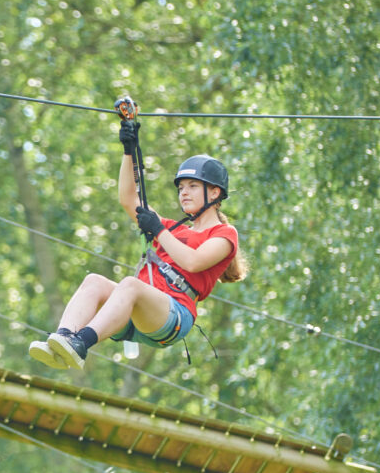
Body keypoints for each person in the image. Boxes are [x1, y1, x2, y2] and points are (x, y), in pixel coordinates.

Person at [28, 117, 246, 370]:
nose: (183, 193)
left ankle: (81, 344)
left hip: (174, 316)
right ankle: (64, 339)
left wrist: (158, 229)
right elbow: (128, 198)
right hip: (136, 313)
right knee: (94, 281)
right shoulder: (173, 228)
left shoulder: (224, 233)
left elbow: (192, 262)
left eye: (193, 186)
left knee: (130, 285)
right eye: (181, 188)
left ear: (215, 192)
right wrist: (128, 151)